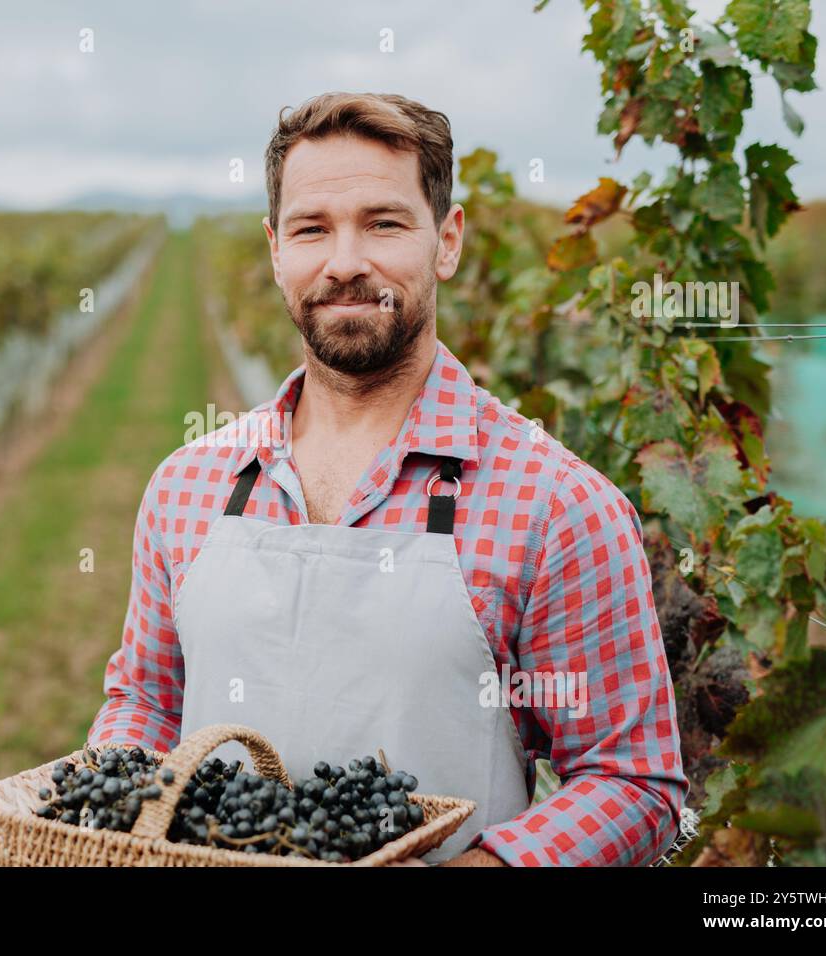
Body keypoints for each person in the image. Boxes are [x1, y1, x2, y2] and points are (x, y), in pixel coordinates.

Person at [88, 91, 686, 866]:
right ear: (275, 251)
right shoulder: (186, 486)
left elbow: (631, 782)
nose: (344, 263)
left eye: (384, 222)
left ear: (448, 240)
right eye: (312, 229)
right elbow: (145, 703)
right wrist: (104, 803)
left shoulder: (558, 506)